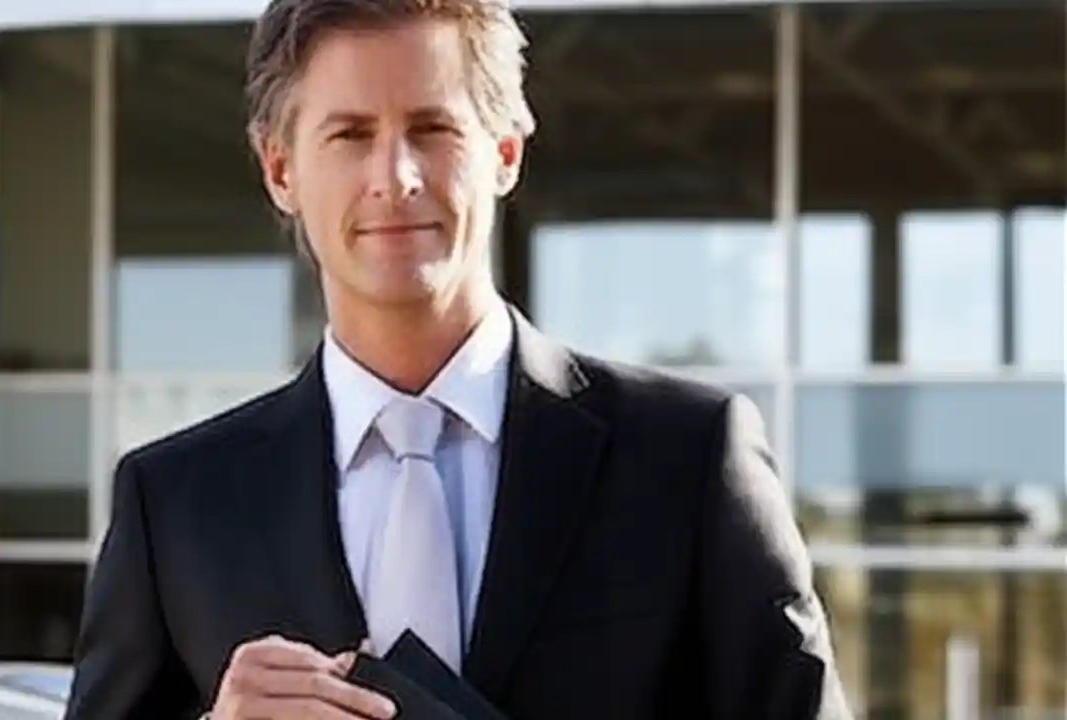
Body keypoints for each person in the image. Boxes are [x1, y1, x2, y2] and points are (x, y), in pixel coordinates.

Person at [64, 1, 851, 718]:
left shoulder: (688, 455)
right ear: (280, 170)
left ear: (504, 151)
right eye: (351, 135)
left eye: (432, 128)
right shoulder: (175, 504)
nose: (395, 177)